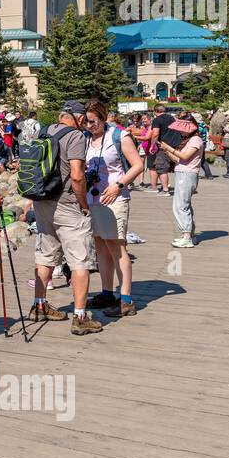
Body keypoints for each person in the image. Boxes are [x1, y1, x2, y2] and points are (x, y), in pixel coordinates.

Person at [29, 101, 101, 335]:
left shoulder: (44, 131)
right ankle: (80, 317)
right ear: (78, 118)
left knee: (45, 254)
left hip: (41, 201)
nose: (87, 124)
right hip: (67, 203)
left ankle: (39, 305)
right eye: (85, 120)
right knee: (80, 260)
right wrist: (84, 205)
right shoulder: (75, 137)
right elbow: (78, 176)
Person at [83, 100, 144, 317]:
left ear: (102, 117)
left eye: (92, 121)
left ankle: (125, 300)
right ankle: (107, 292)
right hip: (93, 199)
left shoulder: (119, 136)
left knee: (117, 247)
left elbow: (138, 165)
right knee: (100, 246)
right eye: (86, 122)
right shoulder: (87, 139)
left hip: (115, 198)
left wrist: (118, 185)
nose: (89, 125)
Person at [159, 117, 204, 248]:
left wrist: (169, 148)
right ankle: (190, 235)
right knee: (184, 205)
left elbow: (184, 156)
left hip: (187, 174)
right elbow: (179, 160)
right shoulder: (189, 140)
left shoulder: (195, 140)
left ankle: (187, 236)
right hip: (183, 172)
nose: (181, 132)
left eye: (182, 130)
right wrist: (167, 151)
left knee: (180, 206)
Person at [149, 104, 176, 195]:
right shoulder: (172, 118)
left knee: (161, 167)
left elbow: (155, 134)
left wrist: (152, 145)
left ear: (155, 111)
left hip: (164, 146)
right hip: (175, 145)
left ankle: (165, 190)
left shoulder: (157, 120)